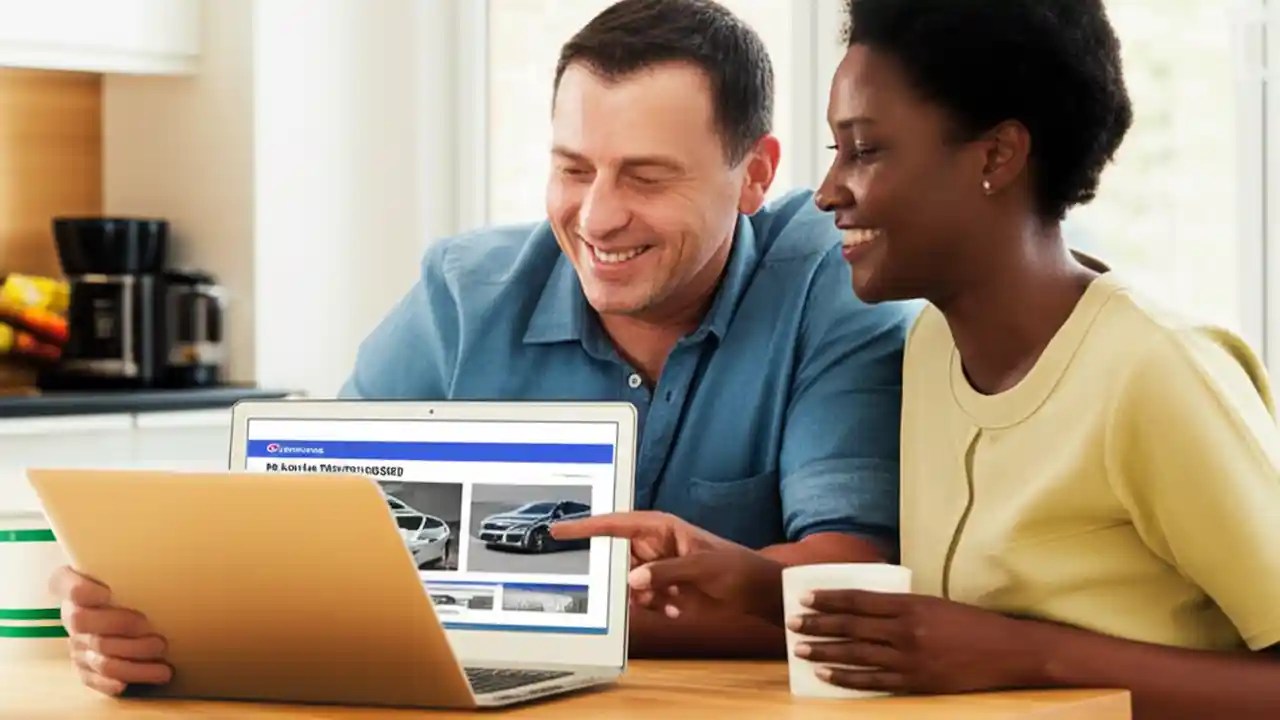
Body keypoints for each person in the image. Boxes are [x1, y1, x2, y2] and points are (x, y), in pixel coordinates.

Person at [49, 0, 916, 697]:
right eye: (574, 168)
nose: (597, 216)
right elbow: (280, 544)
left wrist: (483, 609)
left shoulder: (836, 274)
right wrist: (135, 613)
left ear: (755, 174)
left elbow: (844, 577)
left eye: (647, 177)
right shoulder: (464, 293)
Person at [552, 1, 1280, 718]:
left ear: (996, 156)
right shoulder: (932, 348)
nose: (830, 190)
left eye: (864, 151)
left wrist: (1027, 654)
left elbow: (992, 646)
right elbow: (939, 632)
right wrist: (750, 581)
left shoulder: (1155, 370)